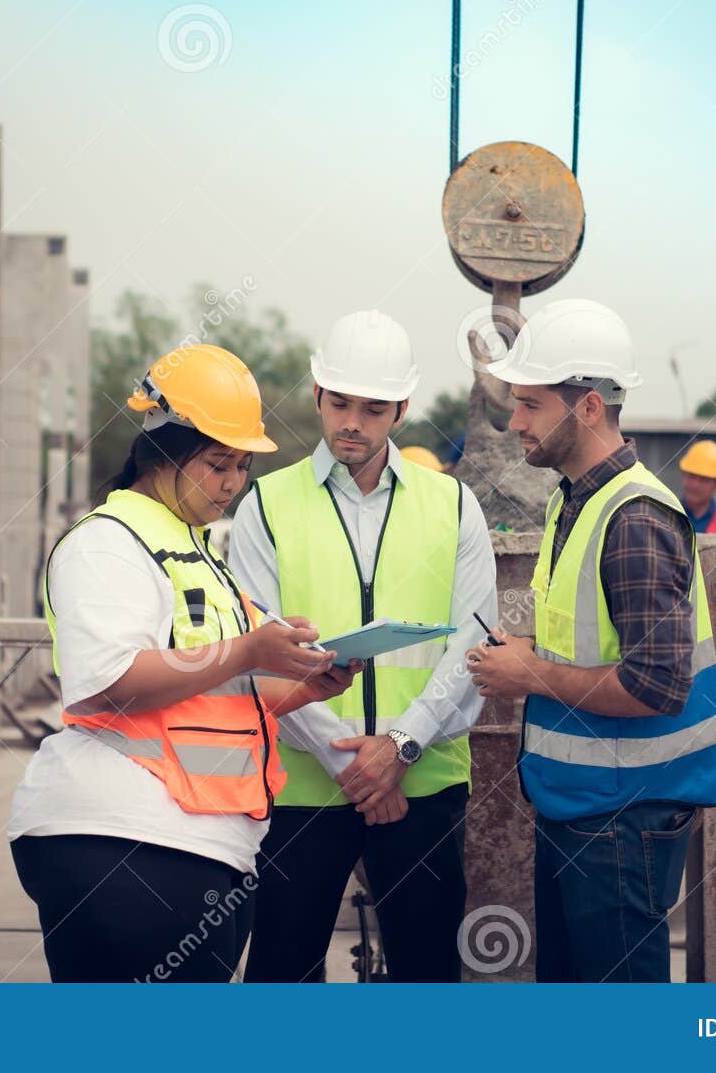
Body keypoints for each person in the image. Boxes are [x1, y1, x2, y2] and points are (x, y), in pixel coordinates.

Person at [7, 344, 361, 983]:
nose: (233, 483)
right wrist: (250, 649)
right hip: (121, 842)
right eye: (217, 464)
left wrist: (301, 686)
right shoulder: (107, 544)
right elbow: (109, 686)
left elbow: (216, 699)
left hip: (197, 845)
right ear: (162, 452)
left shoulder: (195, 552)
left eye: (242, 467)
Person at [464, 299, 716, 983]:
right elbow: (589, 637)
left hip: (623, 819)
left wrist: (529, 675)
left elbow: (656, 685)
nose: (515, 419)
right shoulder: (571, 498)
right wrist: (527, 647)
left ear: (587, 407)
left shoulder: (635, 517)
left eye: (529, 404)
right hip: (580, 804)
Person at [227, 310, 497, 982]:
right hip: (300, 787)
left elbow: (472, 643)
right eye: (340, 402)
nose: (352, 421)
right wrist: (356, 768)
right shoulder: (265, 504)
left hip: (425, 778)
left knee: (426, 978)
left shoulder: (454, 504)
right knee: (283, 978)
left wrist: (400, 750)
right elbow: (258, 650)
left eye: (373, 408)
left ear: (401, 409)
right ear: (317, 394)